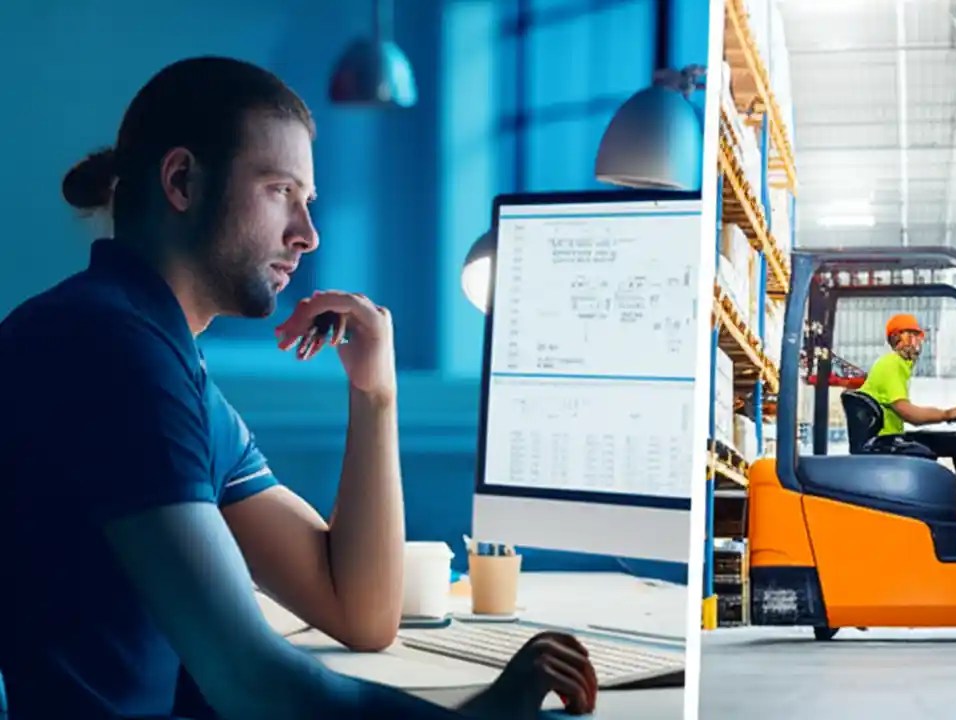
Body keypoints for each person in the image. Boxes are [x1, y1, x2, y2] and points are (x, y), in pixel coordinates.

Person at [0, 56, 597, 719]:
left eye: (306, 202)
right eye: (280, 190)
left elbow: (359, 612)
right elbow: (252, 684)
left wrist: (375, 394)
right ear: (181, 181)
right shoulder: (111, 351)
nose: (306, 235)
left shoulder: (164, 362)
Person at [857, 313, 956, 521]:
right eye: (910, 335)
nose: (917, 341)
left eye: (918, 336)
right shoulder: (891, 364)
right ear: (896, 338)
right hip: (886, 442)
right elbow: (909, 413)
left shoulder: (899, 366)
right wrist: (948, 414)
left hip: (888, 438)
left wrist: (952, 413)